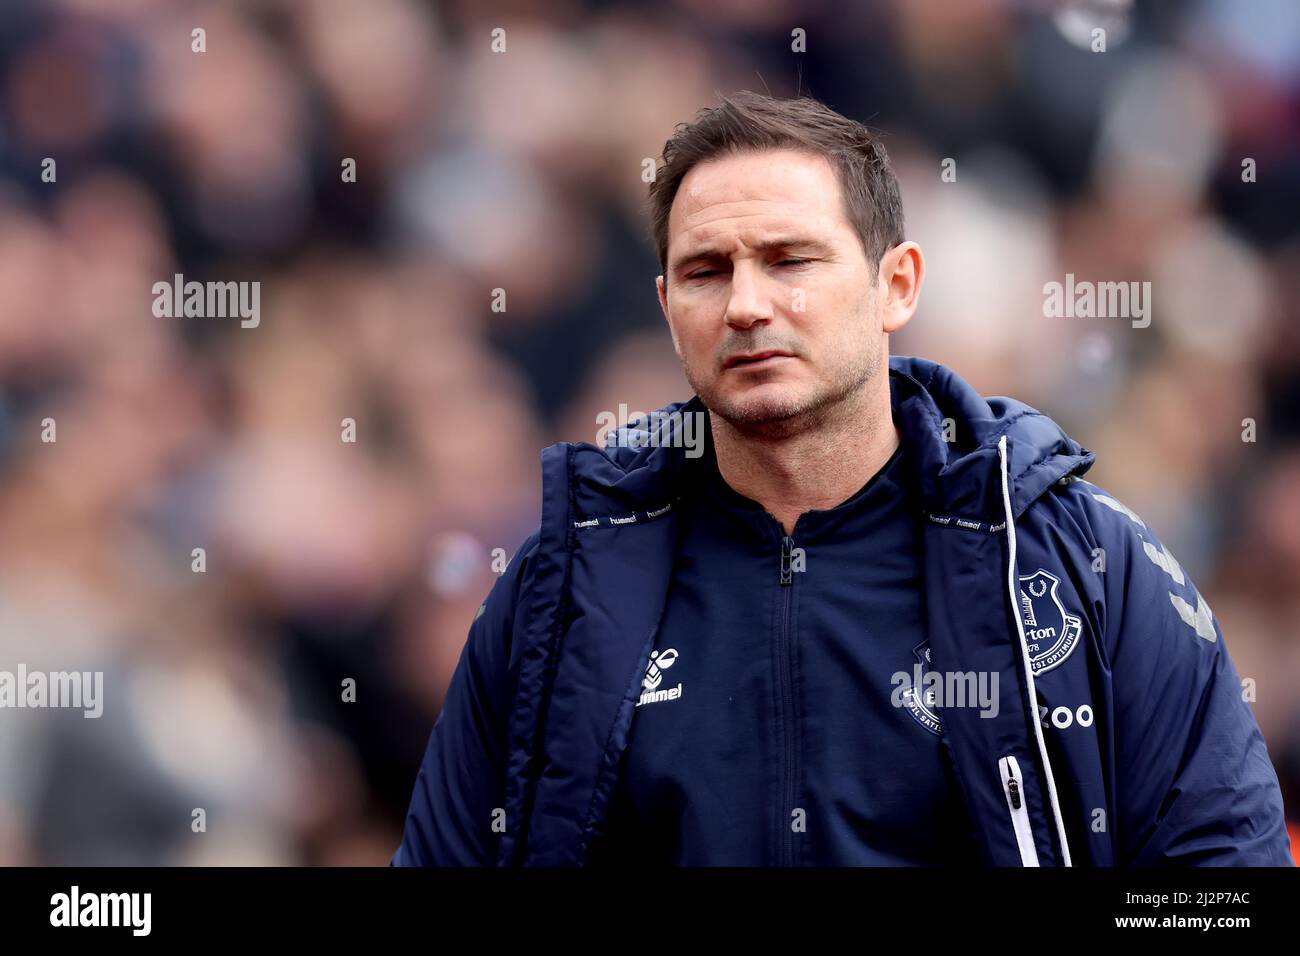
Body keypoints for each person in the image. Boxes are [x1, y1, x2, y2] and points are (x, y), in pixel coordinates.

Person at [392, 91, 1292, 866]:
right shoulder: (562, 585)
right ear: (668, 311)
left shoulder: (1078, 560)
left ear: (895, 284)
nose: (746, 304)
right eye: (706, 271)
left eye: (790, 259)